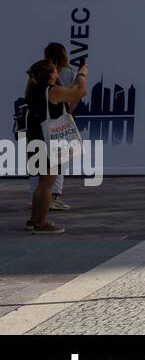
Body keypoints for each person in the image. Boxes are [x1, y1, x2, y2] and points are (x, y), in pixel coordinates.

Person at [23, 57, 88, 234]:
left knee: (43, 182)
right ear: (52, 73)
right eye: (55, 69)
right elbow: (81, 91)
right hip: (48, 142)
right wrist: (82, 75)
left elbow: (69, 91)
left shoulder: (36, 90)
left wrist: (76, 81)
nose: (58, 71)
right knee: (47, 183)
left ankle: (34, 219)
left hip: (36, 139)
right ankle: (41, 223)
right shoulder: (52, 91)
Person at [35, 43, 80, 211]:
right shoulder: (72, 73)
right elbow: (75, 97)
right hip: (61, 119)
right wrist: (67, 113)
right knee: (60, 159)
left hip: (41, 120)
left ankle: (37, 195)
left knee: (40, 158)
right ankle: (54, 196)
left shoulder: (40, 71)